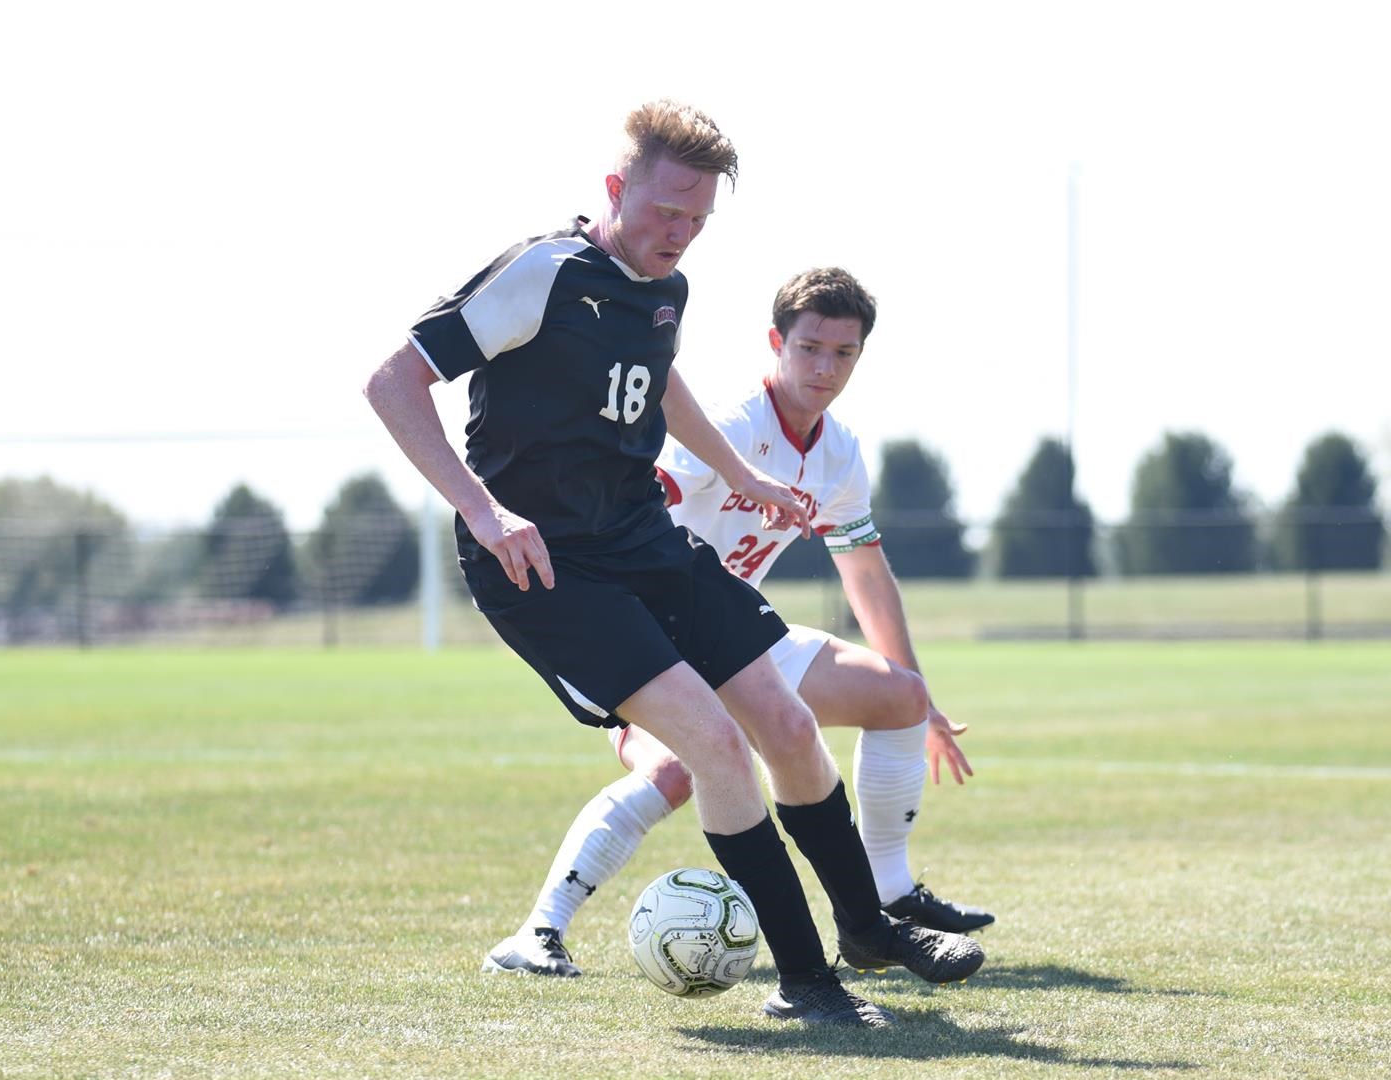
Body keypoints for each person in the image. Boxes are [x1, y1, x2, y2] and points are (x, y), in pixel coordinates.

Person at [361, 101, 981, 1029]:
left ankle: (867, 926)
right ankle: (808, 984)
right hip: (549, 569)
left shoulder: (665, 288)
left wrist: (743, 475)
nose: (681, 233)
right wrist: (485, 512)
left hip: (643, 540)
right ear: (616, 189)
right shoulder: (543, 273)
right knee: (715, 746)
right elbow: (392, 381)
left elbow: (660, 376)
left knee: (786, 721)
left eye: (698, 219)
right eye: (665, 212)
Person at [485, 267, 993, 981]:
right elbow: (630, 508)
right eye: (810, 347)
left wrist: (927, 698)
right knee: (677, 769)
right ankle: (539, 932)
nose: (824, 368)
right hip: (653, 637)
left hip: (738, 636)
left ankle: (886, 898)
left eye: (843, 353)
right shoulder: (729, 426)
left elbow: (866, 573)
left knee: (900, 696)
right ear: (776, 344)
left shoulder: (840, 453)